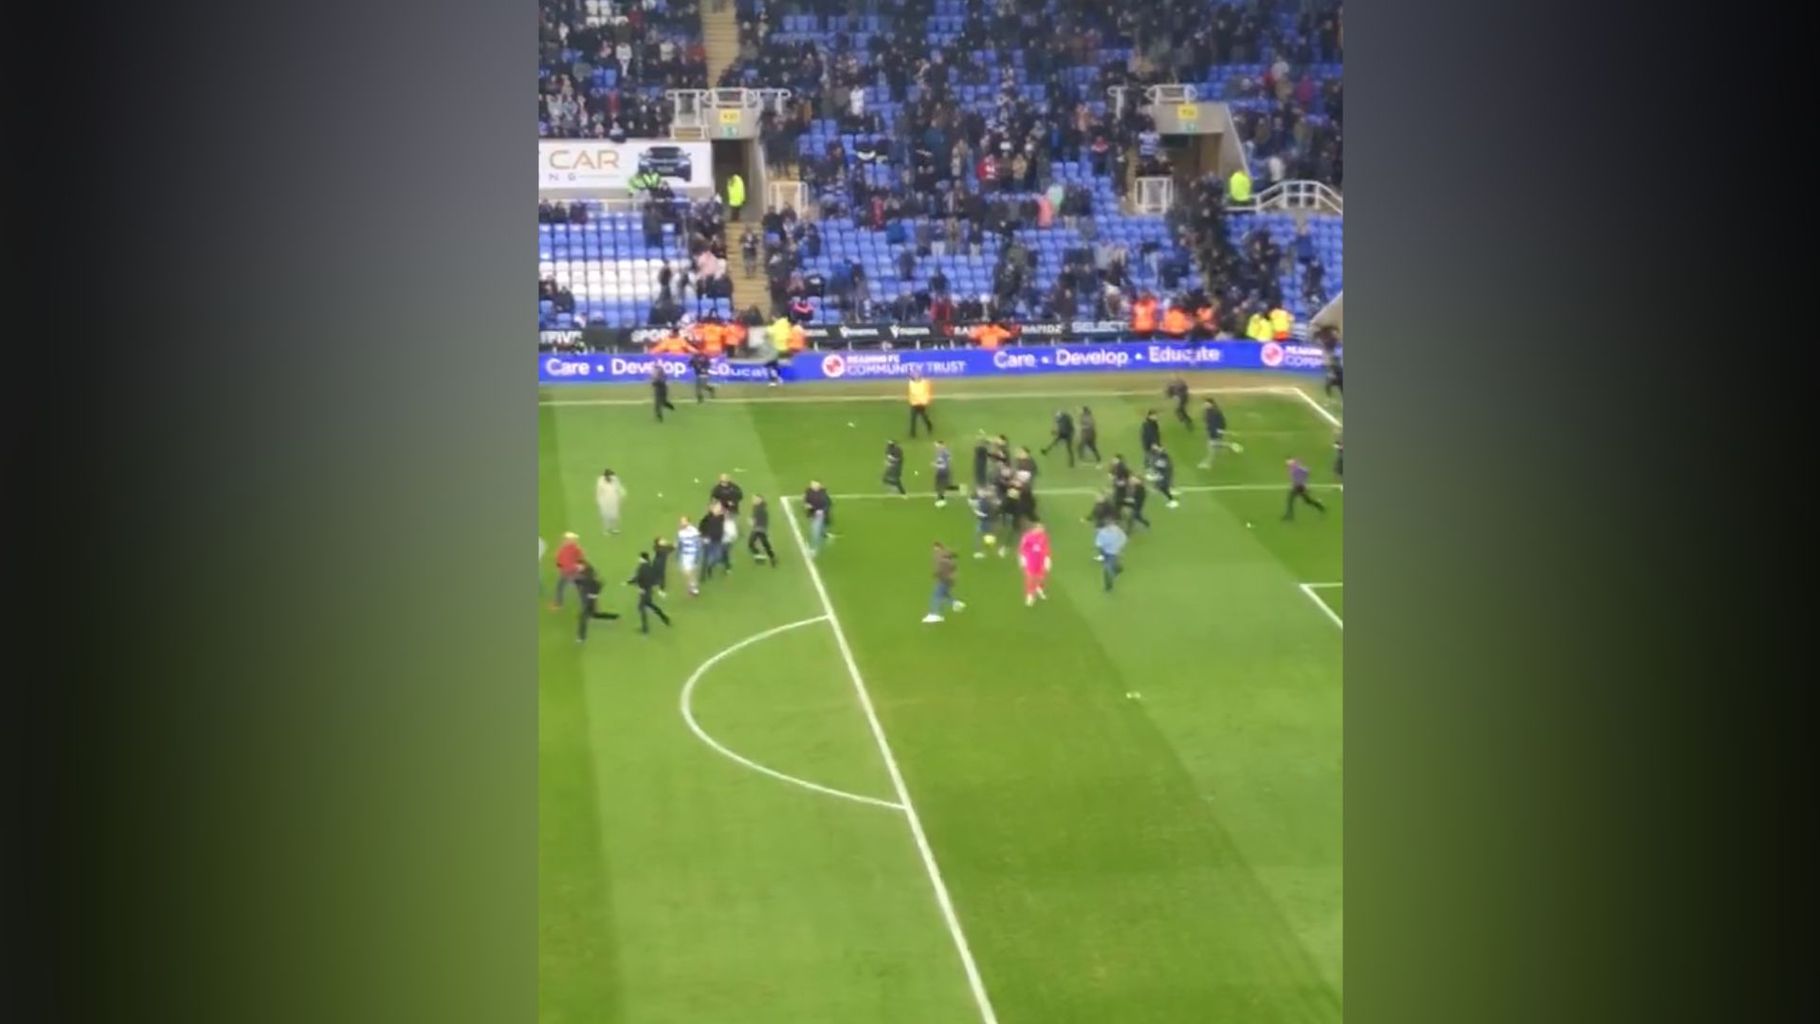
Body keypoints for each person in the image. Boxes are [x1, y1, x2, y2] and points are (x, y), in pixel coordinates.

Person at [625, 552, 673, 634]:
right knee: (651, 605)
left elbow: (637, 578)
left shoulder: (642, 567)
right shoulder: (649, 566)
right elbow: (651, 578)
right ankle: (665, 618)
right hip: (649, 590)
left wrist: (628, 582)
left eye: (639, 558)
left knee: (641, 607)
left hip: (644, 591)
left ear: (642, 558)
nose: (638, 559)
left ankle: (645, 628)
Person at [574, 561, 622, 642]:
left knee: (583, 617)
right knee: (593, 615)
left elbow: (597, 584)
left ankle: (581, 637)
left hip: (589, 599)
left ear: (583, 565)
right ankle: (615, 617)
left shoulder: (587, 575)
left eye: (578, 566)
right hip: (588, 598)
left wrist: (594, 594)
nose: (577, 568)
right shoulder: (586, 573)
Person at [923, 542, 966, 623]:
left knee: (936, 596)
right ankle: (956, 603)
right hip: (950, 580)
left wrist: (935, 574)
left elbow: (939, 570)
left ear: (937, 548)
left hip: (943, 580)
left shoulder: (939, 557)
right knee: (944, 594)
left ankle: (935, 614)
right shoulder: (948, 557)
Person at [1017, 522, 1052, 607]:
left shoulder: (1044, 536)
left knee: (1042, 577)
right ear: (1034, 529)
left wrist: (1048, 558)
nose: (1042, 530)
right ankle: (1030, 595)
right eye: (1040, 529)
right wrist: (1022, 559)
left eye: (1043, 529)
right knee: (1030, 577)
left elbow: (1047, 547)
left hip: (1041, 559)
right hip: (1031, 559)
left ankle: (1039, 588)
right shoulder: (1027, 536)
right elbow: (1022, 548)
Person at [550, 531, 585, 609]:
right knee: (579, 587)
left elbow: (559, 561)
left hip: (567, 572)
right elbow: (581, 557)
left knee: (560, 587)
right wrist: (579, 566)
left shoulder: (563, 549)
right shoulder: (575, 548)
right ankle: (586, 604)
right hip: (572, 571)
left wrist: (560, 567)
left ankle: (559, 604)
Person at [699, 501, 730, 580]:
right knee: (705, 558)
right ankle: (702, 576)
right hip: (707, 540)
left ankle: (710, 566)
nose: (719, 509)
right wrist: (703, 537)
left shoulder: (722, 517)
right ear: (712, 509)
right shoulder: (707, 518)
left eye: (720, 507)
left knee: (717, 556)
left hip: (717, 541)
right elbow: (701, 528)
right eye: (717, 507)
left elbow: (727, 511)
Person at [1095, 520, 1128, 592]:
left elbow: (1124, 537)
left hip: (1113, 553)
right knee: (1111, 565)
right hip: (1106, 552)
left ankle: (1108, 587)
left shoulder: (1117, 530)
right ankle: (1118, 569)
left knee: (1106, 569)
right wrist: (1101, 552)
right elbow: (1099, 544)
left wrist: (1120, 547)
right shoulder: (1102, 532)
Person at [675, 516, 702, 596]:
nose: (682, 523)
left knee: (688, 571)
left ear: (688, 522)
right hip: (685, 554)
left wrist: (697, 555)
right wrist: (678, 553)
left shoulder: (693, 531)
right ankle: (692, 586)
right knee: (687, 571)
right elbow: (680, 544)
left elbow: (698, 543)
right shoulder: (680, 532)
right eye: (681, 521)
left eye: (684, 521)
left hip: (692, 554)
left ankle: (693, 587)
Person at [748, 494, 778, 565]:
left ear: (760, 500)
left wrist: (752, 521)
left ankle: (770, 557)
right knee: (762, 544)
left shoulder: (760, 509)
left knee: (756, 543)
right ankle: (766, 557)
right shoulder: (756, 507)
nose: (753, 500)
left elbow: (759, 519)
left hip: (760, 528)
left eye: (755, 499)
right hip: (758, 528)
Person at [803, 481, 832, 555]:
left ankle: (813, 549)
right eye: (812, 484)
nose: (813, 486)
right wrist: (806, 504)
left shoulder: (823, 495)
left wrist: (822, 511)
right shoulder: (808, 491)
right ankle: (824, 534)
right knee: (821, 527)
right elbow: (806, 499)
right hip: (812, 513)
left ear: (819, 486)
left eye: (815, 485)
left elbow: (828, 504)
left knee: (815, 531)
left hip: (820, 515)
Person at [595, 469, 626, 535]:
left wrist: (622, 495)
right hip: (604, 501)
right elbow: (598, 492)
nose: (610, 478)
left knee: (614, 515)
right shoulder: (600, 481)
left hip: (614, 500)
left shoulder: (615, 480)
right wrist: (599, 501)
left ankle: (614, 528)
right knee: (606, 515)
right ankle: (606, 530)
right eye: (608, 476)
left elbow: (619, 488)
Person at [969, 485, 997, 558]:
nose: (979, 493)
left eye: (980, 492)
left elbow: (986, 514)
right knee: (982, 536)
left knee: (981, 536)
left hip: (985, 521)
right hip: (985, 521)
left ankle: (981, 552)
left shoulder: (986, 502)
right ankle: (983, 551)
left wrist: (977, 513)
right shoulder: (984, 500)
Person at [906, 368, 934, 437]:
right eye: (914, 375)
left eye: (916, 375)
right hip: (914, 403)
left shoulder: (924, 383)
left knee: (924, 417)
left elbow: (927, 392)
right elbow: (910, 393)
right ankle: (912, 433)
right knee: (913, 419)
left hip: (921, 403)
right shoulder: (911, 383)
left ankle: (929, 425)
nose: (915, 376)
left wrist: (926, 400)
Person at [1149, 444, 1179, 508]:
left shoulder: (1163, 456)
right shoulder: (1159, 455)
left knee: (1163, 487)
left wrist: (1156, 475)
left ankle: (1172, 500)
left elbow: (1162, 466)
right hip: (1164, 474)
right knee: (1162, 487)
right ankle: (1171, 498)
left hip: (1165, 474)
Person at [932, 441, 955, 506]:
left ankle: (942, 499)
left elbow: (944, 465)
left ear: (943, 446)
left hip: (944, 471)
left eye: (940, 446)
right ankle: (940, 497)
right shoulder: (940, 452)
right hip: (940, 471)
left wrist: (935, 465)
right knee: (938, 484)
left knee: (942, 485)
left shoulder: (945, 453)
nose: (938, 447)